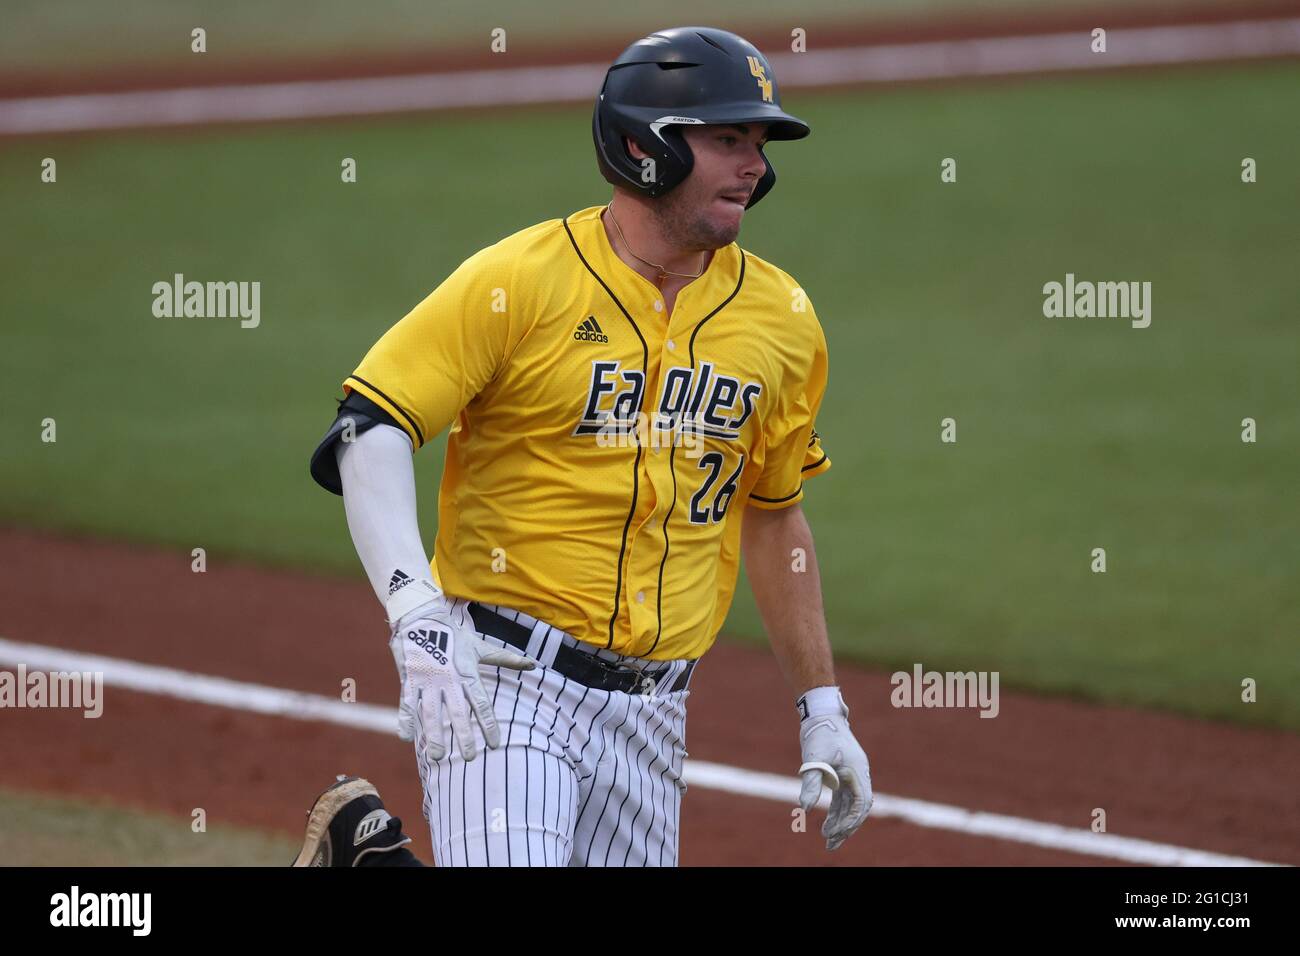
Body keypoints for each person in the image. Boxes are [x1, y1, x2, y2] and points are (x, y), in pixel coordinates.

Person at [293, 25, 871, 868]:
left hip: (657, 713)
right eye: (726, 141)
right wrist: (414, 614)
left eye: (758, 143)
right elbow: (369, 424)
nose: (755, 166)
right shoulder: (522, 280)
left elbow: (775, 516)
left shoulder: (782, 320)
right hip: (507, 678)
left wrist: (824, 704)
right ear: (646, 147)